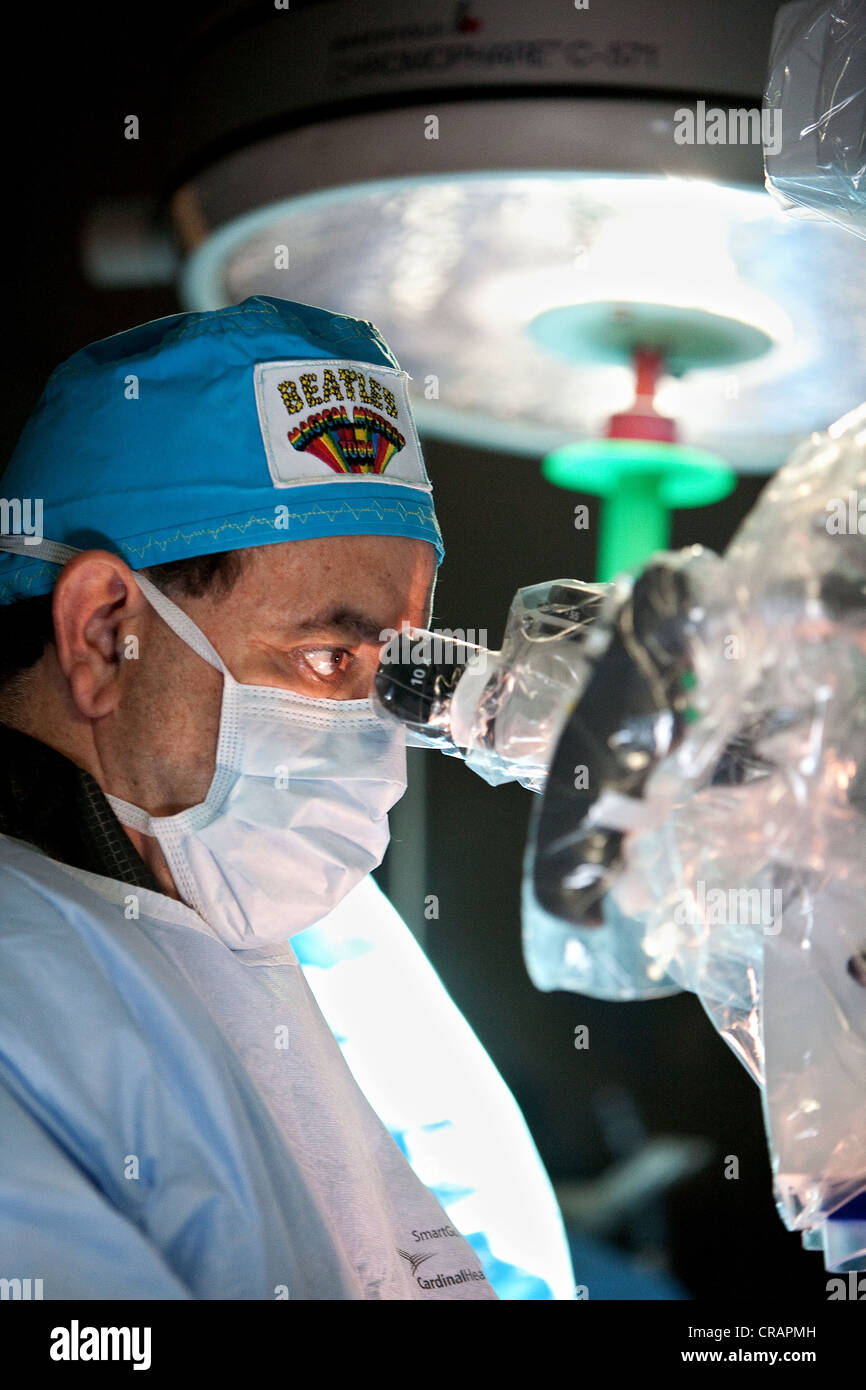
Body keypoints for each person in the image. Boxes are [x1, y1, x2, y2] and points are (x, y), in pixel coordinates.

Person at [0, 294, 572, 1300]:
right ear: (102, 633)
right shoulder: (31, 983)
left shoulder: (276, 922)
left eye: (397, 665)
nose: (378, 726)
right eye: (326, 655)